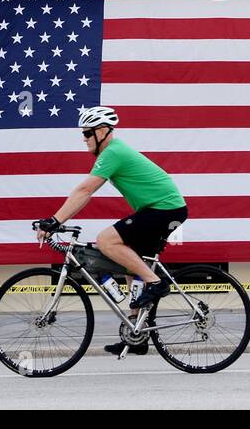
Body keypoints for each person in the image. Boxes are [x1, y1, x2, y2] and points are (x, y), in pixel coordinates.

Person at [35, 106, 188, 355]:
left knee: (106, 240)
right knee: (131, 267)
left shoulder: (113, 152)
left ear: (103, 131)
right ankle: (136, 337)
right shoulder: (112, 152)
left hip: (165, 210)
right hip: (159, 209)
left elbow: (85, 191)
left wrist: (55, 220)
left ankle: (156, 282)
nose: (83, 138)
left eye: (87, 133)